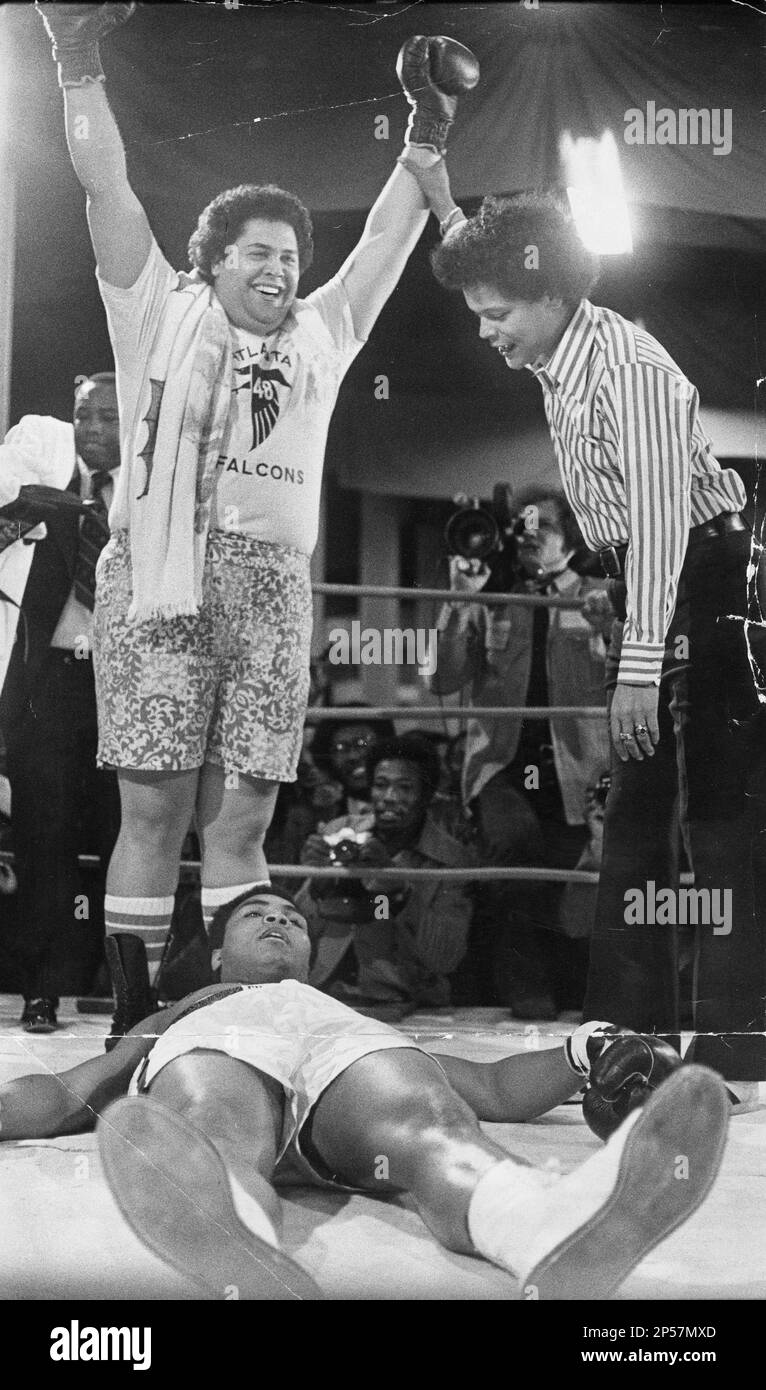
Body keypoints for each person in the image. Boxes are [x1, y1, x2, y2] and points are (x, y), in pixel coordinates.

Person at [36, 7, 479, 1037]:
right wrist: (76, 65)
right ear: (215, 257)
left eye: (289, 254)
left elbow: (384, 237)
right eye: (258, 253)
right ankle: (135, 1016)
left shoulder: (323, 331)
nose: (280, 269)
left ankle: (238, 1016)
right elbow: (106, 184)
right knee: (150, 812)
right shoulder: (155, 312)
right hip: (160, 578)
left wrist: (429, 130)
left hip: (274, 592)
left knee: (243, 817)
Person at [407, 168, 765, 1086]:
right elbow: (499, 273)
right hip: (644, 588)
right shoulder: (555, 344)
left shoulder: (632, 369)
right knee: (637, 822)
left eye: (498, 313)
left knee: (715, 820)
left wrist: (640, 668)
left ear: (552, 293)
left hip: (697, 578)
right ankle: (627, 1034)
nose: (485, 332)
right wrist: (446, 201)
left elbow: (659, 529)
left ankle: (739, 1045)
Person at [0, 886, 729, 1302]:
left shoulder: (346, 1013)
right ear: (219, 953)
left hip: (341, 1055)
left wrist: (582, 1050)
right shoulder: (187, 1009)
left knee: (434, 1122)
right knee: (212, 1119)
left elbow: (491, 1089)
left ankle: (541, 1227)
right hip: (223, 1044)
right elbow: (69, 1092)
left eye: (291, 917)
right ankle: (241, 1250)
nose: (280, 920)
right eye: (259, 915)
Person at [430, 485, 610, 1018]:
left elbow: (631, 677)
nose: (528, 535)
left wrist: (611, 629)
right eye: (522, 526)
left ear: (572, 540)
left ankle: (571, 988)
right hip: (502, 767)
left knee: (572, 877)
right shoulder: (492, 596)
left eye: (543, 527)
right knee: (516, 845)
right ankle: (525, 987)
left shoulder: (600, 596)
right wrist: (460, 598)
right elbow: (442, 679)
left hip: (578, 770)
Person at [0, 375, 122, 1031]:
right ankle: (40, 990)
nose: (94, 428)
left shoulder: (146, 485)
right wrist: (46, 510)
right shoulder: (35, 467)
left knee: (119, 836)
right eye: (84, 415)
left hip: (122, 687)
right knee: (42, 840)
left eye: (108, 416)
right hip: (47, 684)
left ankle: (123, 983)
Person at [297, 732, 476, 1015]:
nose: (389, 798)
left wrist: (400, 890)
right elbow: (299, 931)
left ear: (428, 794)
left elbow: (444, 958)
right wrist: (318, 886)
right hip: (326, 994)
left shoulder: (450, 862)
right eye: (381, 785)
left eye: (405, 788)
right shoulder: (341, 830)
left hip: (404, 1003)